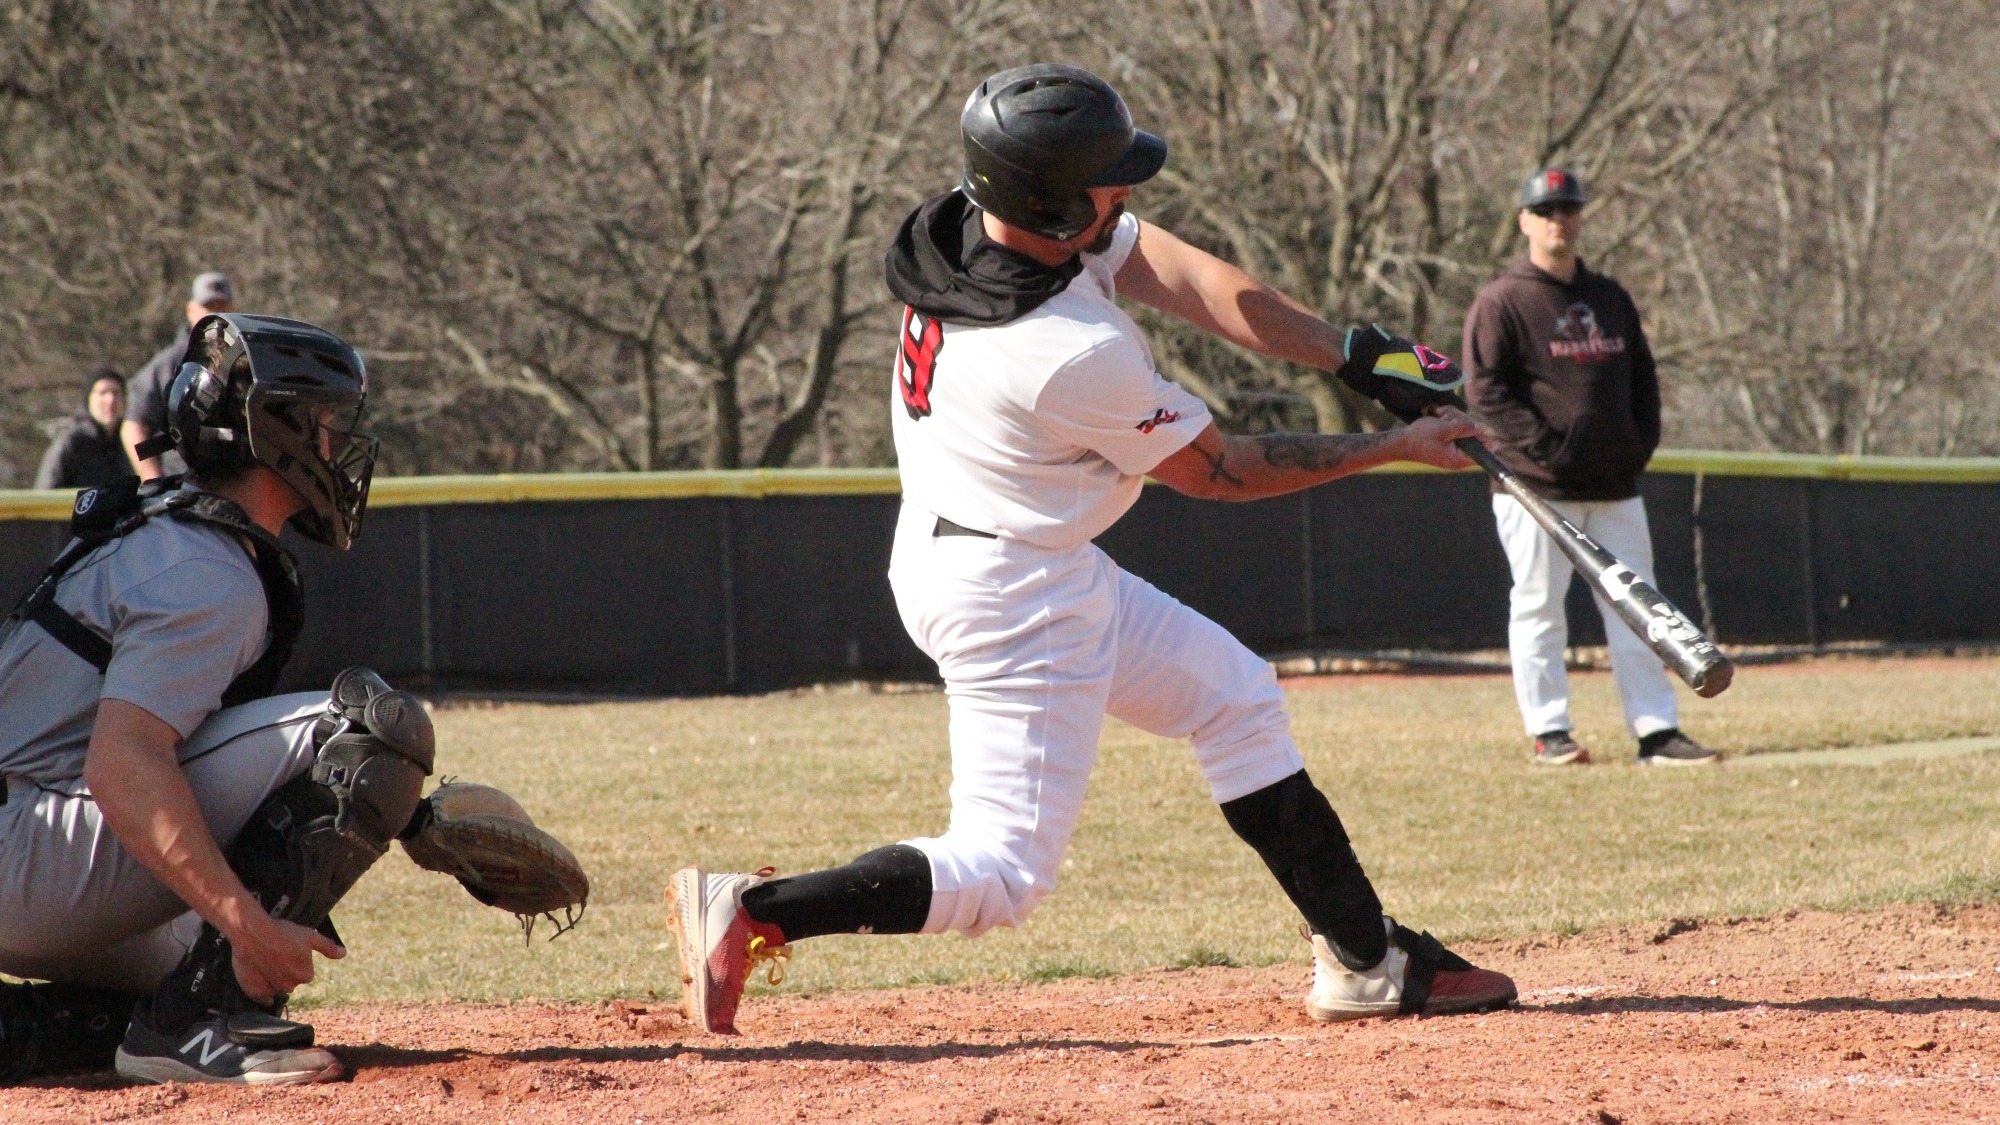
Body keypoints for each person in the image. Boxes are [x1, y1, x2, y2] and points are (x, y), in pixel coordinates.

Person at [667, 63, 1517, 1037]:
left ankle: (1366, 961)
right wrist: (1394, 446)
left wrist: (1355, 354)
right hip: (1011, 587)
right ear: (1053, 200)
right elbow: (1219, 472)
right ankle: (751, 913)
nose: (1127, 193)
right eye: (1107, 180)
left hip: (1006, 553)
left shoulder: (963, 223)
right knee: (999, 875)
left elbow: (1190, 278)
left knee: (1235, 697)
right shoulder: (1066, 348)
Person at [0, 314, 572, 1086]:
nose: (338, 446)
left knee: (219, 925)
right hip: (30, 850)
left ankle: (43, 1031)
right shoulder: (206, 567)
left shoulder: (168, 530)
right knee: (373, 731)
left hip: (29, 847)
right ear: (280, 433)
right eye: (327, 423)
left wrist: (409, 816)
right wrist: (243, 919)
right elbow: (123, 762)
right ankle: (196, 1022)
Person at [1461, 169, 1718, 767]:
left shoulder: (1609, 298)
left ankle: (1657, 732)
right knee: (1538, 608)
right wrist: (1549, 451)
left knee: (1640, 612)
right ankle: (1550, 732)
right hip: (1534, 490)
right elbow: (1486, 394)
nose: (1559, 219)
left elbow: (1643, 384)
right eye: (1546, 209)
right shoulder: (1502, 301)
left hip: (1614, 488)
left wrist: (1636, 445)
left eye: (1568, 208)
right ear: (1524, 219)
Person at [123, 272, 235, 480]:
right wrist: (154, 481)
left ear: (232, 310)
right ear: (191, 310)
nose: (215, 315)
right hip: (182, 488)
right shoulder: (167, 365)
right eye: (208, 308)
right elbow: (133, 429)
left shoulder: (242, 361)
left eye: (221, 307)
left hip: (233, 485)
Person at [34, 369, 131, 490]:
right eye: (103, 392)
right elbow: (46, 491)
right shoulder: (71, 443)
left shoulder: (131, 441)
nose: (110, 400)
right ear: (88, 399)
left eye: (116, 393)